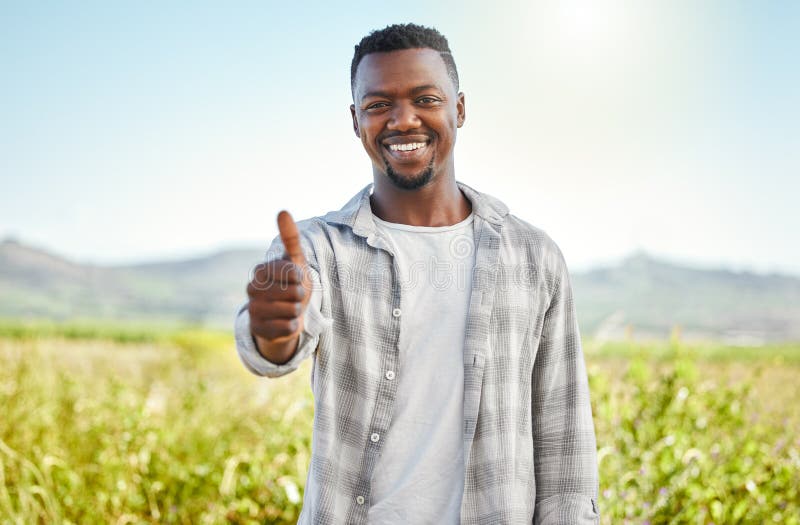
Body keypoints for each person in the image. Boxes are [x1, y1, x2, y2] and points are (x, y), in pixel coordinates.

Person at [235, 23, 600, 524]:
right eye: (378, 104)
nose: (403, 120)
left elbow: (565, 452)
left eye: (426, 99)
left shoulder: (534, 257)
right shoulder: (316, 249)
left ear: (460, 109)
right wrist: (274, 332)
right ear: (356, 119)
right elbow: (276, 348)